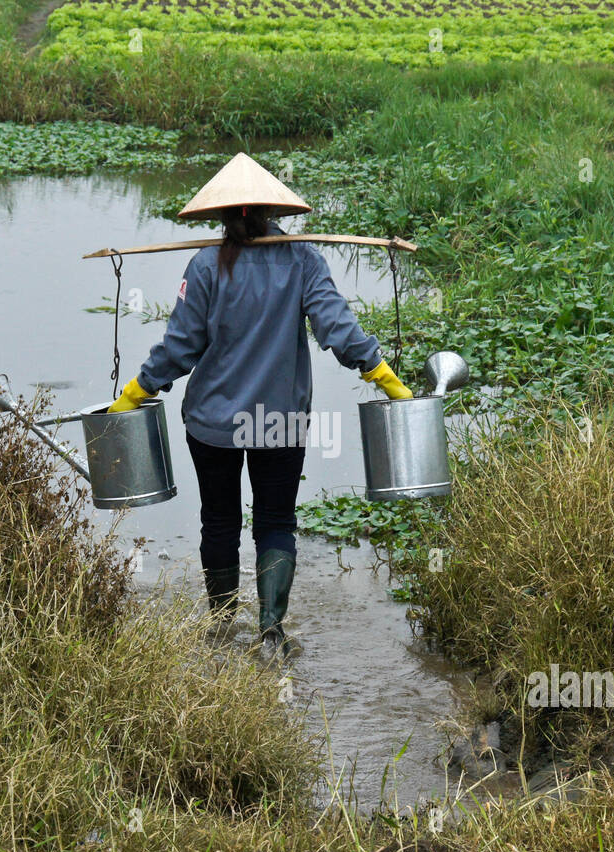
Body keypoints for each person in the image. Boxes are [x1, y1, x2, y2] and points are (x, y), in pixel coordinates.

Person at [107, 153, 411, 656]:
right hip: (278, 422)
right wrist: (383, 377)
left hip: (212, 425)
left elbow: (180, 349)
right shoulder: (304, 260)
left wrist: (136, 392)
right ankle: (271, 630)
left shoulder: (204, 265)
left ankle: (223, 628)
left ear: (223, 216)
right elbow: (338, 330)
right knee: (275, 522)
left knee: (220, 520)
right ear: (272, 212)